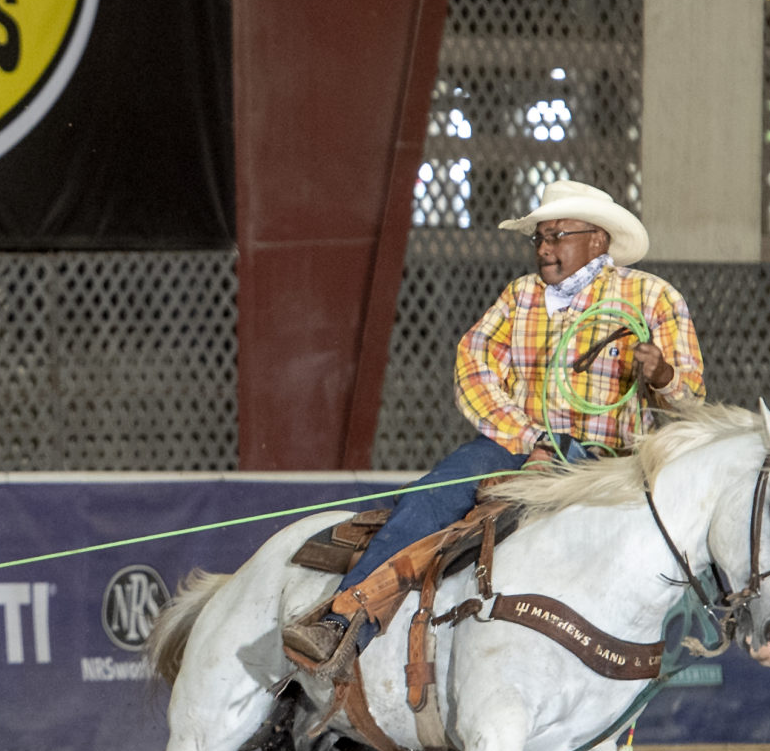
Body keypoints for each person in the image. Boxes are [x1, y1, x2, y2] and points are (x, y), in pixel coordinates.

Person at [283, 178, 706, 681]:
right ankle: (344, 621)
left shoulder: (652, 297)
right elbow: (475, 367)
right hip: (517, 444)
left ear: (598, 239)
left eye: (558, 237)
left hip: (608, 460)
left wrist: (661, 377)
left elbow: (691, 400)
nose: (545, 250)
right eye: (540, 240)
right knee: (432, 498)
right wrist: (531, 439)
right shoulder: (520, 296)